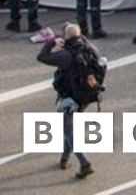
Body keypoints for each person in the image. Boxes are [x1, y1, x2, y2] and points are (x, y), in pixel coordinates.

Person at [37, 23, 101, 179]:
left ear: (66, 37)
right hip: (86, 96)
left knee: (67, 130)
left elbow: (42, 57)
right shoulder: (90, 49)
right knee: (68, 126)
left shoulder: (67, 56)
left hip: (70, 98)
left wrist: (51, 42)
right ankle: (64, 159)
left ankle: (84, 163)